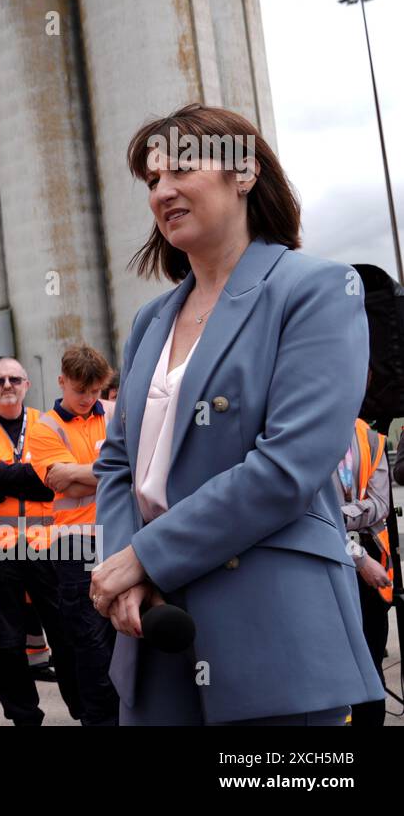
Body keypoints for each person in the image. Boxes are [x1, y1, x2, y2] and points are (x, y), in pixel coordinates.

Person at [91, 103, 384, 724]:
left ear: (243, 172)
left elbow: (286, 467)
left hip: (273, 633)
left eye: (180, 169)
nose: (162, 190)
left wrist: (147, 555)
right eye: (151, 181)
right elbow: (117, 460)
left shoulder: (317, 290)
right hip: (155, 628)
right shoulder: (151, 321)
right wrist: (123, 570)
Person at [0, 356, 77, 725]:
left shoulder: (48, 425)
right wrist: (32, 477)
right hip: (0, 549)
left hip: (49, 546)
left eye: (14, 379)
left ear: (27, 384)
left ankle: (86, 706)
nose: (7, 385)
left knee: (65, 631)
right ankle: (23, 715)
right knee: (7, 640)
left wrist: (4, 481)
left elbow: (57, 480)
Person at [28, 344, 118, 726]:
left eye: (96, 391)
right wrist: (115, 471)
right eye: (81, 390)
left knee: (124, 637)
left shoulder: (114, 413)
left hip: (118, 536)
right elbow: (65, 486)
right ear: (62, 380)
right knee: (90, 643)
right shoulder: (45, 428)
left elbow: (133, 466)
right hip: (75, 547)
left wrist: (84, 472)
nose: (88, 399)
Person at [339, 418, 392, 726]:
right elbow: (308, 509)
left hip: (369, 559)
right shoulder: (307, 429)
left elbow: (381, 503)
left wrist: (338, 514)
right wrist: (356, 513)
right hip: (330, 554)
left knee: (371, 659)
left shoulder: (372, 439)